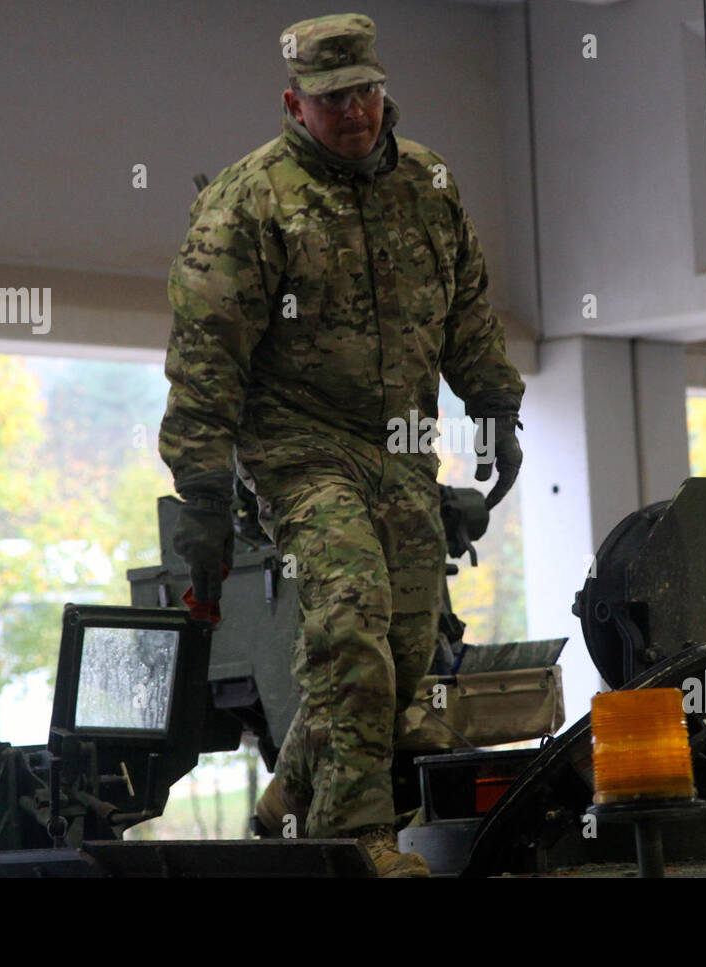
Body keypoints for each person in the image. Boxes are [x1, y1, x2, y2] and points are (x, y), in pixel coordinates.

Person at [158, 12, 524, 877]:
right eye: (332, 99)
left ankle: (290, 791)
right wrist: (205, 495)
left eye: (364, 90)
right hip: (297, 446)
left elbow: (464, 300)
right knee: (350, 618)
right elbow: (206, 358)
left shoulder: (428, 181)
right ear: (295, 103)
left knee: (401, 655)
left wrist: (496, 403)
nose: (354, 111)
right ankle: (360, 839)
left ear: (382, 85)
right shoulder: (250, 202)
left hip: (400, 444)